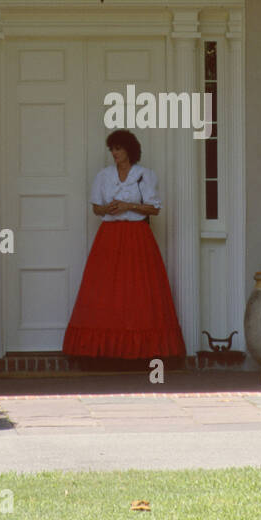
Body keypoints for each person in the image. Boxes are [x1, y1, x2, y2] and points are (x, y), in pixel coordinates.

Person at [62, 129, 185, 360]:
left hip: (137, 237)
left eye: (118, 148)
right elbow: (96, 208)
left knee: (138, 291)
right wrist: (107, 209)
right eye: (112, 149)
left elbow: (155, 208)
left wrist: (129, 206)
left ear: (129, 150)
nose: (114, 153)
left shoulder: (144, 175)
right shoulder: (103, 176)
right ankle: (103, 352)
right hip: (109, 236)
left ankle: (143, 351)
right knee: (106, 291)